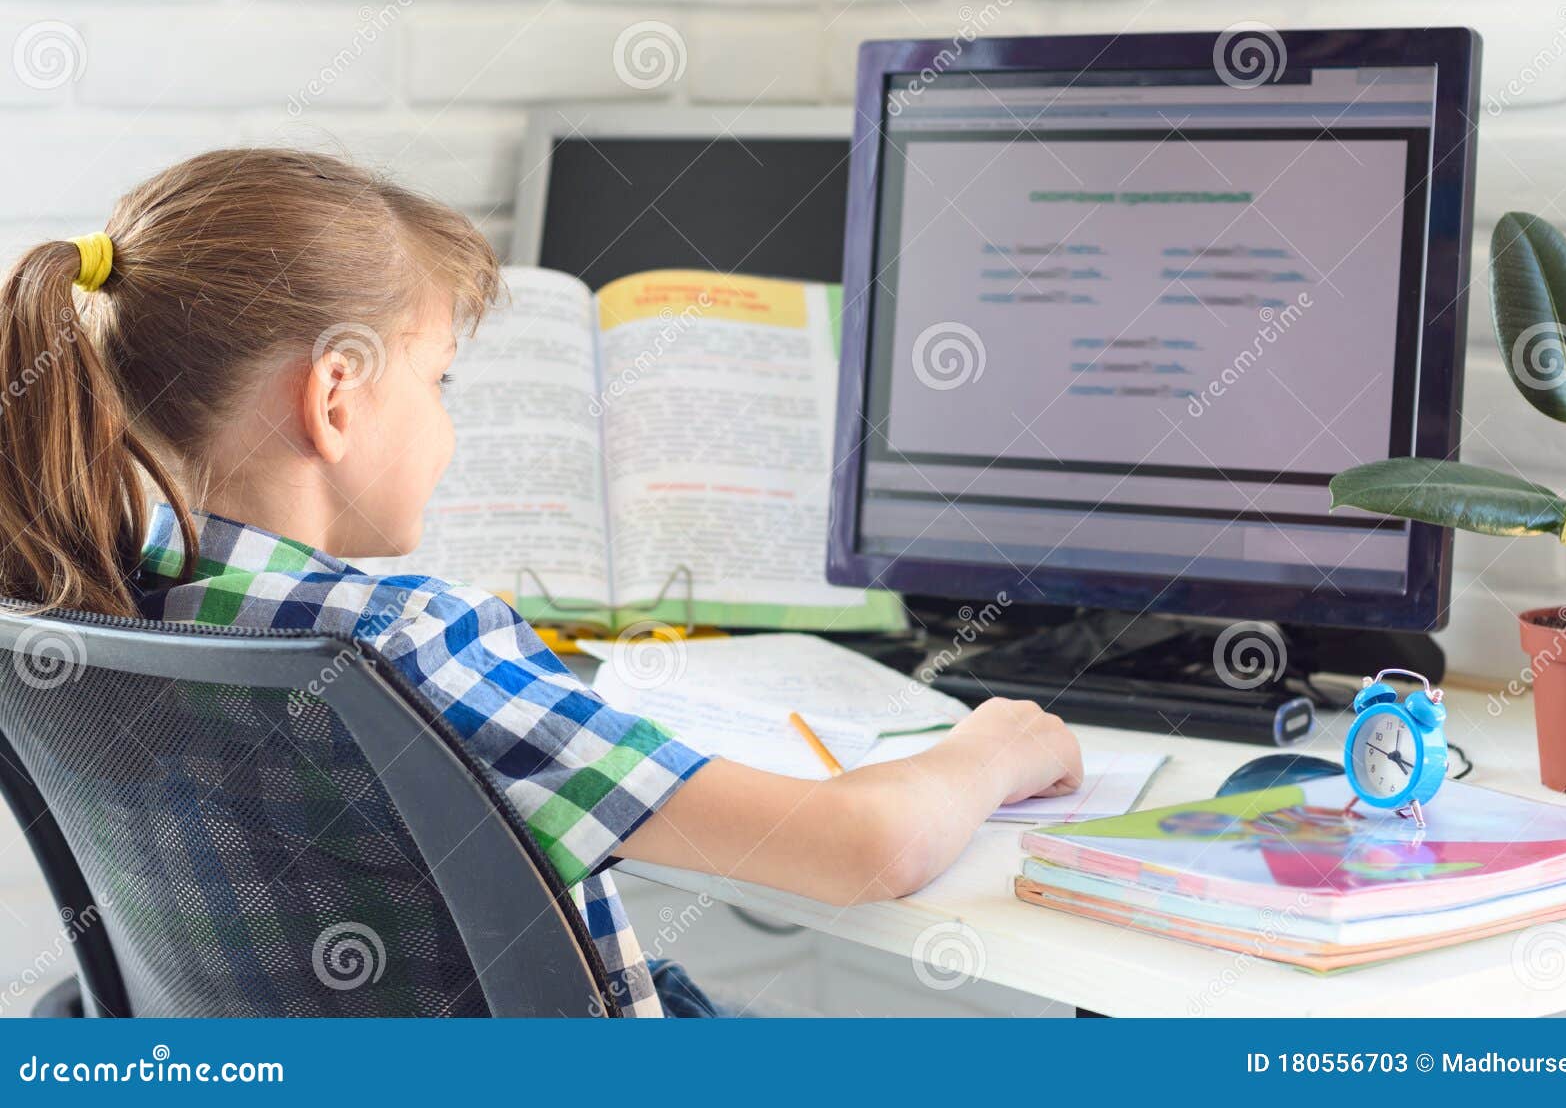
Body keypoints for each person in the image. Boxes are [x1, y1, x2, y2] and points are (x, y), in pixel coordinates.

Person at [0, 149, 1083, 1016]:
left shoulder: (73, 597)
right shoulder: (405, 646)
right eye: (439, 378)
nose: (447, 417)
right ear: (334, 398)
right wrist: (990, 747)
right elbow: (865, 848)